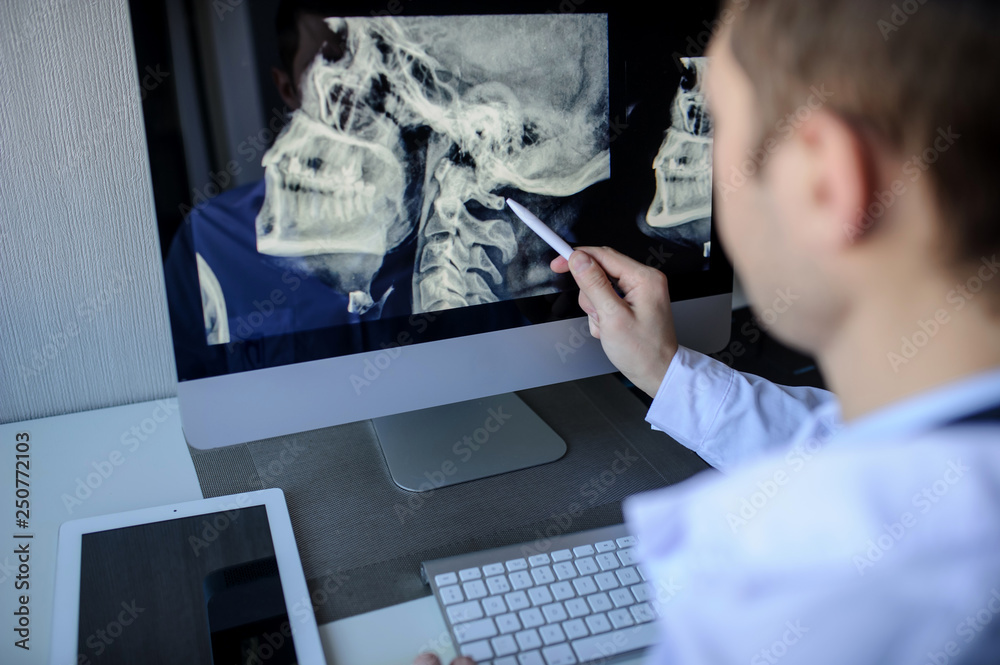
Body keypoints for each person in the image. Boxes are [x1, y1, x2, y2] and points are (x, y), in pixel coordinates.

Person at [416, 0, 1000, 663]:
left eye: (720, 130)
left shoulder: (804, 614)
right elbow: (841, 449)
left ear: (828, 180)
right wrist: (664, 369)